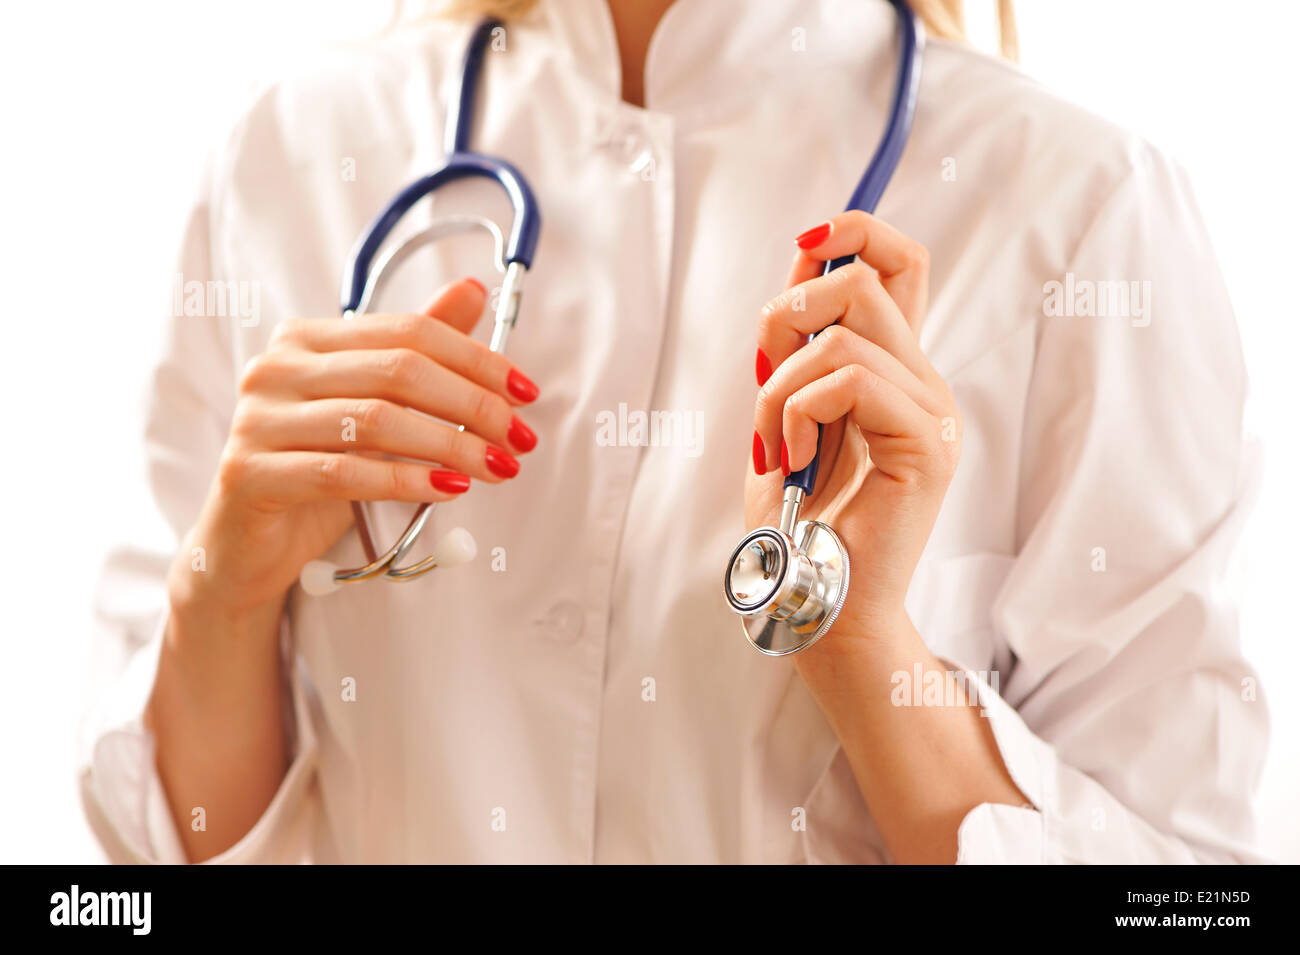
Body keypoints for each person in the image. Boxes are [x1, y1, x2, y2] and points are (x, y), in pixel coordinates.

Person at [80, 0, 1267, 864]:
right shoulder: (290, 154)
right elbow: (144, 862)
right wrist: (222, 597)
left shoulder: (1080, 211)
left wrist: (861, 651)